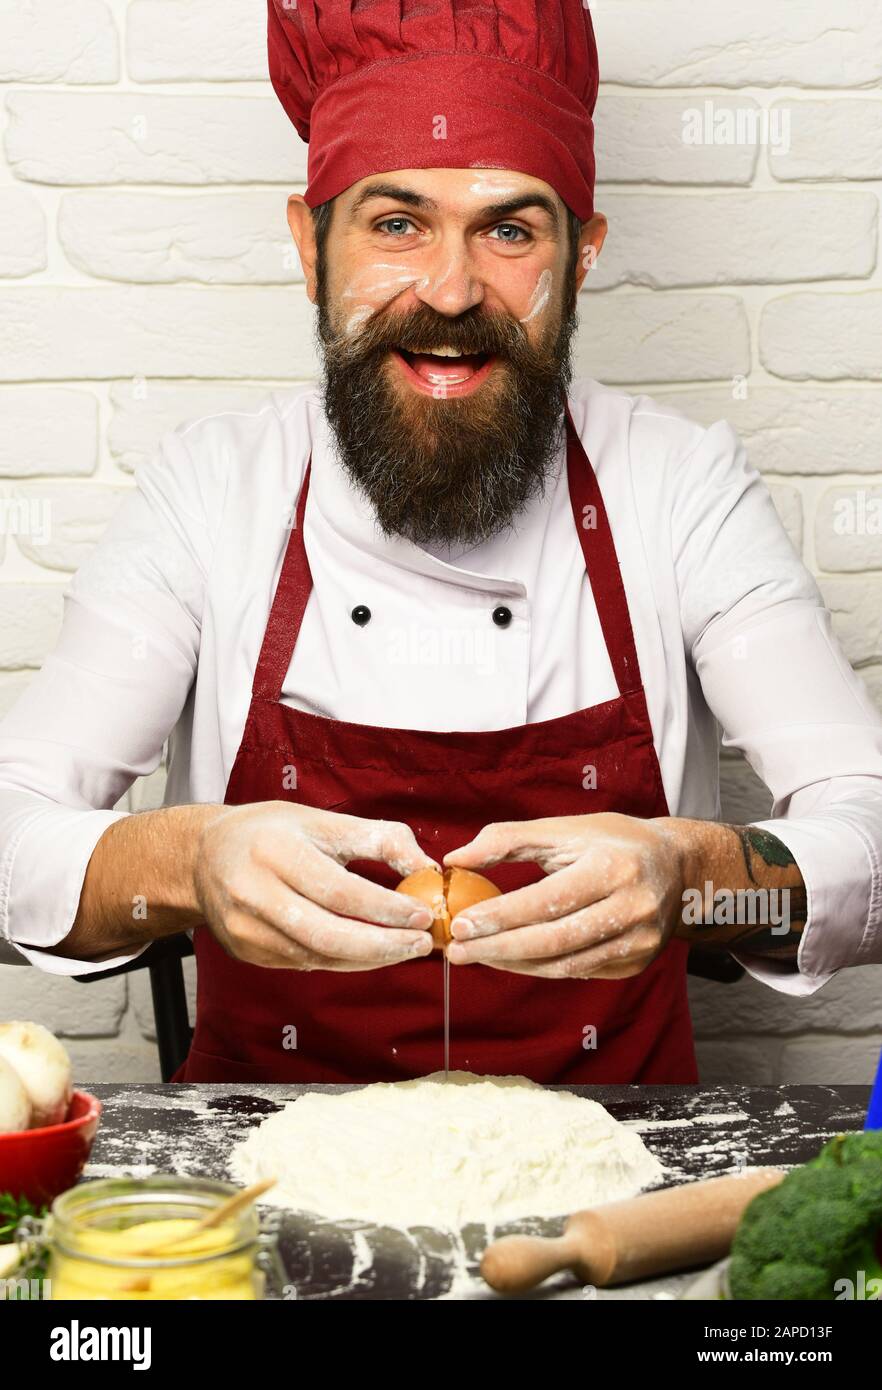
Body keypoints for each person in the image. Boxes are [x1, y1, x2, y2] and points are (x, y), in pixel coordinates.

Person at [1, 0, 880, 1083]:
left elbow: (872, 827)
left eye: (511, 229)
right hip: (260, 1183)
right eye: (396, 223)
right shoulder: (211, 493)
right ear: (309, 246)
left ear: (586, 253)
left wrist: (696, 876)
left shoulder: (676, 485)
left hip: (619, 1196)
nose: (452, 290)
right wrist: (185, 858)